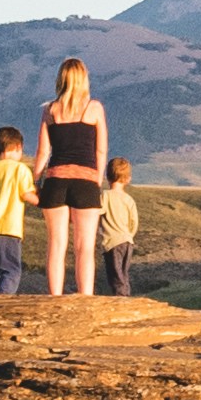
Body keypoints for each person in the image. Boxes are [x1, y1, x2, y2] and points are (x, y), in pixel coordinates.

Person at [35, 53, 112, 296]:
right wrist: (96, 182)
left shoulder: (50, 110)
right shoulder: (94, 108)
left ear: (62, 80)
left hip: (56, 180)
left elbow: (43, 151)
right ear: (83, 80)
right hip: (86, 181)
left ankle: (54, 297)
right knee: (84, 248)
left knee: (56, 245)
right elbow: (101, 150)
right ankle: (85, 297)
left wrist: (36, 182)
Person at [0, 125, 38, 295]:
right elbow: (27, 194)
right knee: (11, 271)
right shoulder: (20, 170)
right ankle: (1, 301)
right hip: (9, 228)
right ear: (18, 147)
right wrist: (44, 201)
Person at [98, 156, 140, 297]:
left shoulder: (105, 196)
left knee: (115, 277)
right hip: (127, 241)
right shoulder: (129, 200)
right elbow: (134, 223)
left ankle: (121, 300)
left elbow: (97, 211)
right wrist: (129, 235)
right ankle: (125, 297)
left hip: (112, 243)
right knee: (123, 274)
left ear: (107, 176)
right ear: (128, 178)